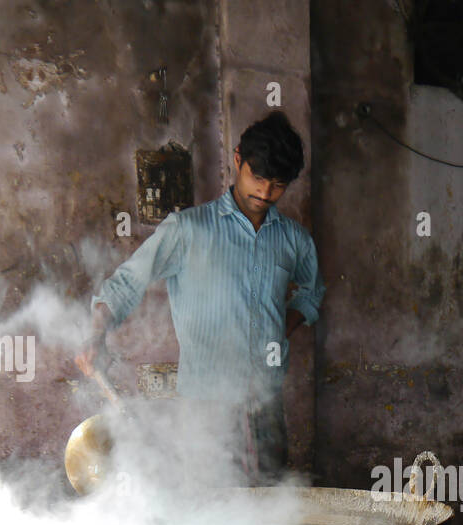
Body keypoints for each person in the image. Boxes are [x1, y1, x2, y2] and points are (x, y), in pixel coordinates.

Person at [79, 111, 324, 480]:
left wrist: (279, 329)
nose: (265, 193)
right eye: (257, 178)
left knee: (270, 512)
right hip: (206, 406)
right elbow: (126, 283)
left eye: (278, 185)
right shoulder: (187, 230)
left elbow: (312, 293)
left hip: (267, 407)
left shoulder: (295, 240)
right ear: (238, 159)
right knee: (211, 509)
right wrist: (96, 335)